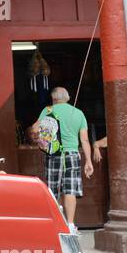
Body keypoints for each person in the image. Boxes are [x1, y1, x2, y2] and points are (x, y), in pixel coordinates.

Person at [39, 87, 94, 234]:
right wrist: (88, 161)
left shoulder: (47, 110)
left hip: (53, 155)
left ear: (54, 98)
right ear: (67, 97)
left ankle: (56, 224)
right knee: (70, 189)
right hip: (73, 154)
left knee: (52, 189)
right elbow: (85, 139)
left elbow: (38, 131)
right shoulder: (79, 113)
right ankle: (70, 225)